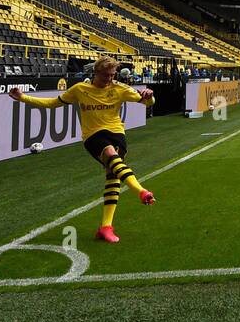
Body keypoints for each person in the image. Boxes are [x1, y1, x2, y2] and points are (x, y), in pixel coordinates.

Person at [9, 56, 154, 243]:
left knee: (112, 175)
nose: (109, 79)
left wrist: (150, 96)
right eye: (105, 76)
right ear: (96, 73)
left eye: (112, 75)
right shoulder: (80, 89)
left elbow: (147, 103)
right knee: (110, 154)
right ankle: (141, 191)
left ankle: (106, 227)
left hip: (117, 132)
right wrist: (23, 98)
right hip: (92, 135)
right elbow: (52, 103)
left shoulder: (119, 88)